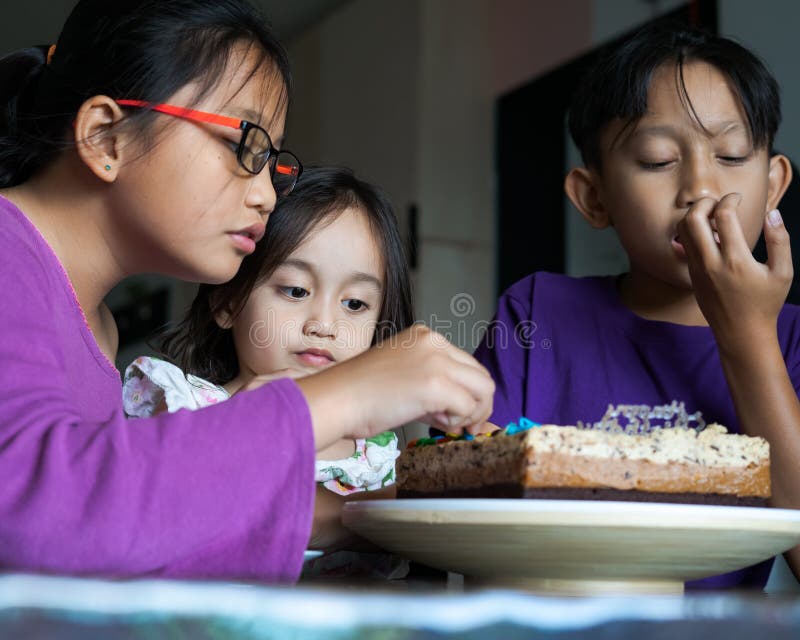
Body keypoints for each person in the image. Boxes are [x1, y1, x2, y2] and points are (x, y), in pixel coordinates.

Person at [0, 0, 494, 581]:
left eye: (270, 163)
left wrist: (370, 511)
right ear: (107, 137)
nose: (265, 195)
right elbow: (36, 515)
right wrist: (343, 396)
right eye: (244, 144)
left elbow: (123, 523)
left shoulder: (95, 322)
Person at [475, 22, 800, 589]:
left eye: (730, 154)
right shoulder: (537, 313)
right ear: (593, 197)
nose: (700, 188)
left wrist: (749, 334)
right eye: (656, 160)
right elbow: (471, 498)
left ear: (772, 186)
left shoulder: (791, 339)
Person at [123, 166, 411, 548]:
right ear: (227, 302)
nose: (324, 325)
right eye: (294, 291)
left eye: (355, 303)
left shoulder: (376, 457)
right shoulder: (182, 406)